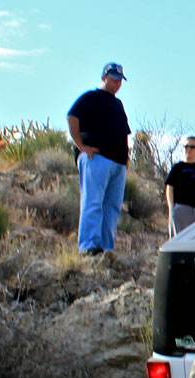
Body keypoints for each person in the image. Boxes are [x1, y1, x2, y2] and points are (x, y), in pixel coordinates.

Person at [67, 62, 131, 255]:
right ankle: (88, 246)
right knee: (93, 202)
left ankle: (105, 248)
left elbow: (124, 132)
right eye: (114, 79)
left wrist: (126, 157)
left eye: (120, 80)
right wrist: (81, 146)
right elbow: (72, 116)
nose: (117, 83)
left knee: (111, 208)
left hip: (118, 163)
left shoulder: (118, 104)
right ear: (104, 78)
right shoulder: (91, 97)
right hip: (97, 158)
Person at [165, 136, 195, 237]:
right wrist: (171, 208)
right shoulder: (177, 168)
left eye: (192, 147)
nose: (188, 149)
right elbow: (169, 188)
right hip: (181, 210)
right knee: (179, 243)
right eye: (186, 146)